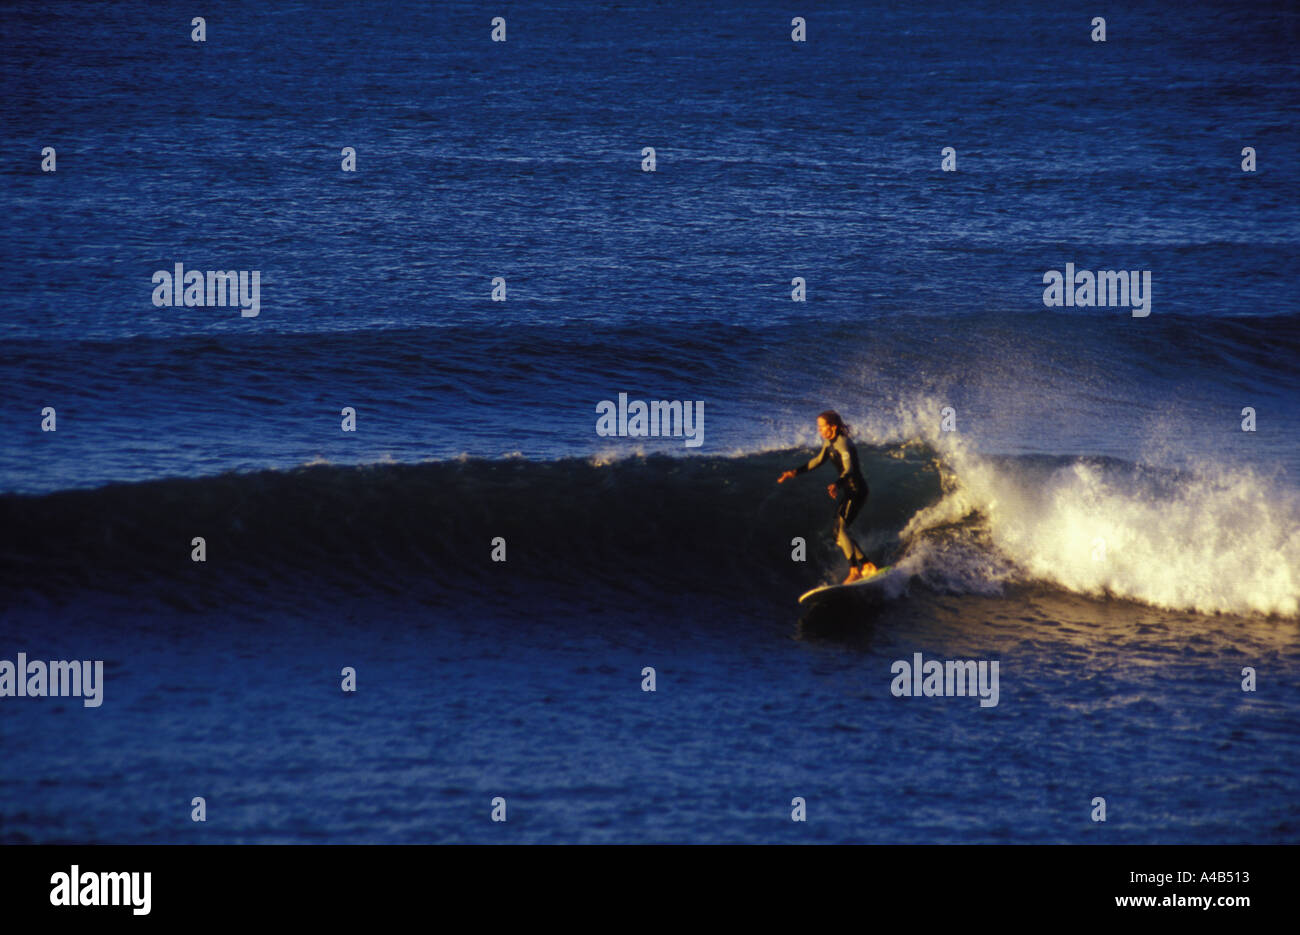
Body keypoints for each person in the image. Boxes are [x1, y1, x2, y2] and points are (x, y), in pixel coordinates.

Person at [777, 410, 876, 584]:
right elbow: (817, 461)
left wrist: (837, 484)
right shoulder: (828, 443)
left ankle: (855, 571)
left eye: (822, 426)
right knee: (838, 534)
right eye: (818, 427)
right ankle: (867, 564)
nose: (819, 430)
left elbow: (849, 470)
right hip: (850, 491)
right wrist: (794, 472)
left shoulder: (843, 444)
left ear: (833, 426)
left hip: (857, 490)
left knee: (842, 530)